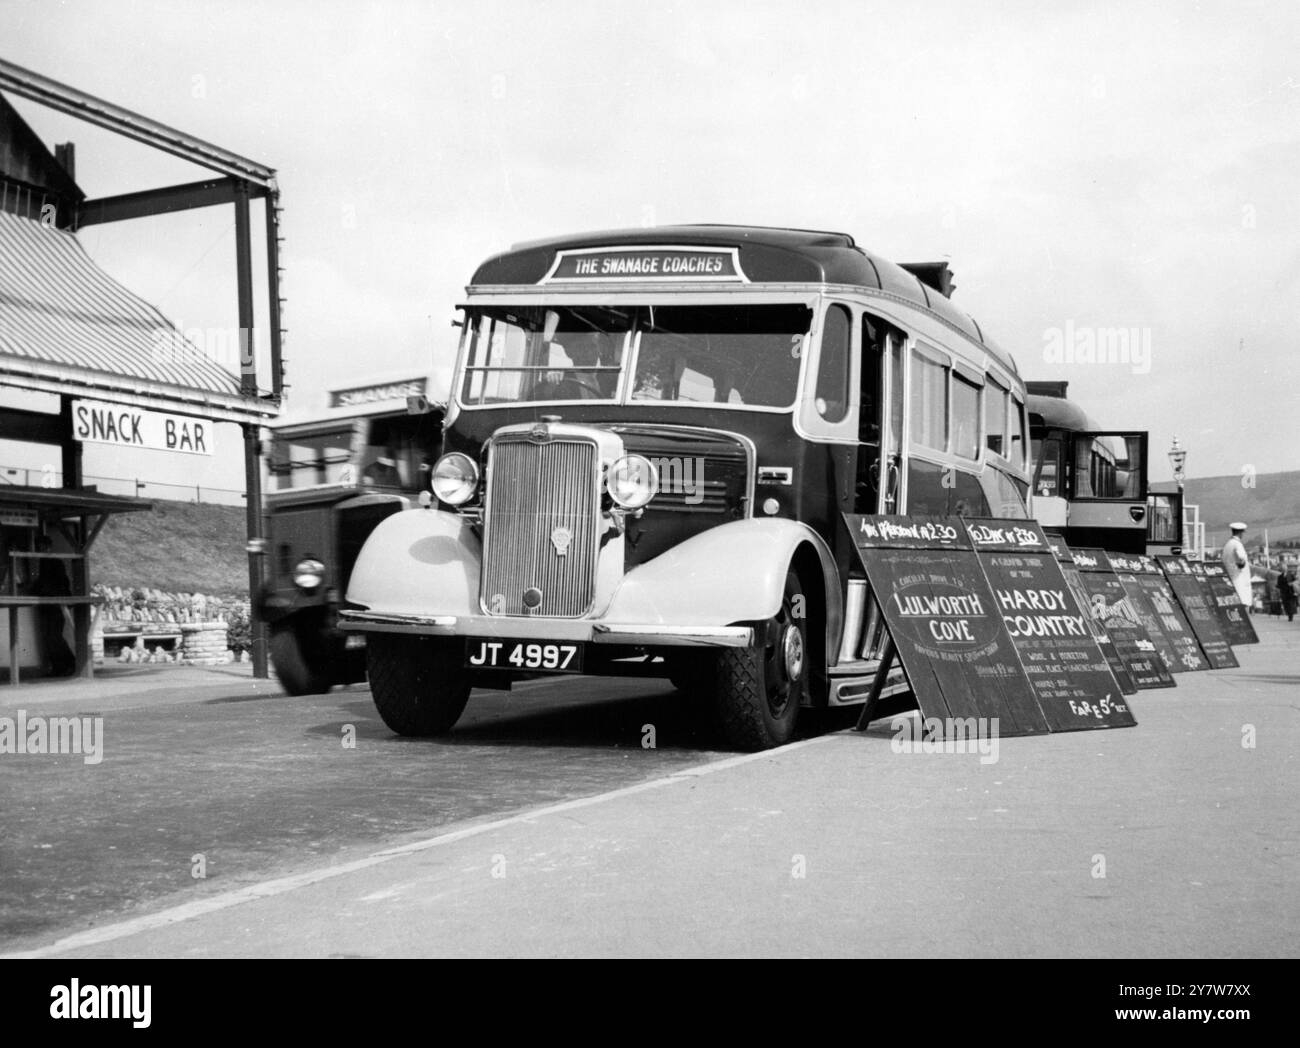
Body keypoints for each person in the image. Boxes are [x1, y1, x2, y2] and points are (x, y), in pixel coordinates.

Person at [1221, 522, 1252, 610]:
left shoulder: (1228, 544)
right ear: (1240, 533)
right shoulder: (1237, 544)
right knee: (1243, 604)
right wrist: (1241, 564)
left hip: (1230, 577)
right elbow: (1241, 557)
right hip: (1239, 579)